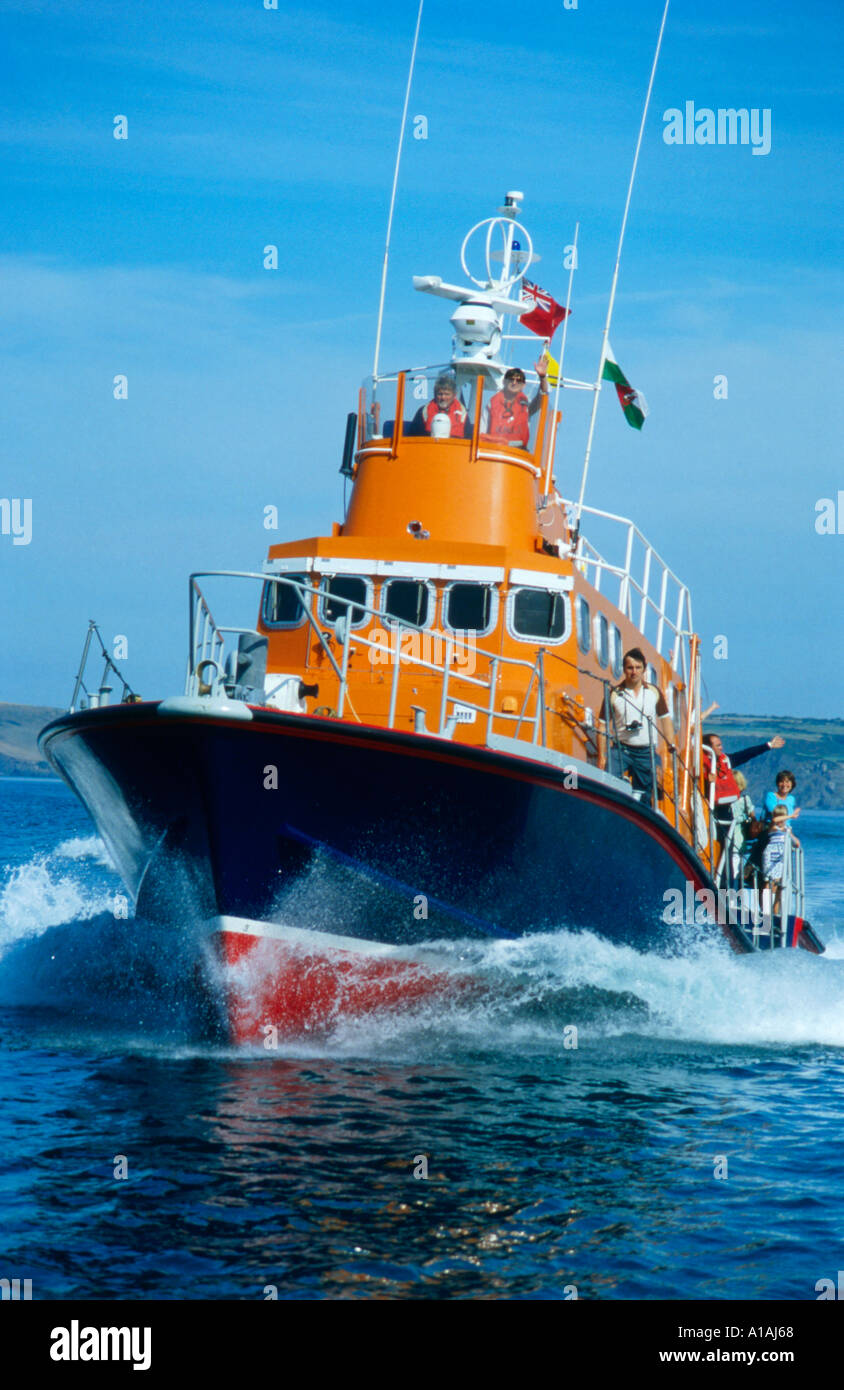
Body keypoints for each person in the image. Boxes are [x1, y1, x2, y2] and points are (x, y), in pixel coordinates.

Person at [608, 647, 675, 804]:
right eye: (630, 668)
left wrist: (671, 744)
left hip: (646, 751)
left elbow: (665, 719)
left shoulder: (653, 692)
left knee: (644, 794)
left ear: (644, 669)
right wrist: (602, 756)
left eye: (638, 668)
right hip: (621, 748)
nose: (634, 672)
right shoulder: (615, 693)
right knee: (608, 780)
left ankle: (642, 815)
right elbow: (602, 723)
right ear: (624, 669)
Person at [701, 732, 785, 844]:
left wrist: (768, 745)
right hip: (706, 809)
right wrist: (705, 779)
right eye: (718, 745)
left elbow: (745, 754)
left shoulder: (725, 761)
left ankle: (725, 858)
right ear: (707, 748)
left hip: (724, 809)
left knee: (726, 842)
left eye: (721, 744)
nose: (722, 748)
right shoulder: (699, 764)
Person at [482, 357, 549, 448]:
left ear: (523, 385)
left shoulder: (526, 407)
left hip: (518, 453)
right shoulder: (491, 405)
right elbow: (481, 433)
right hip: (494, 451)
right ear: (504, 382)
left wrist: (542, 377)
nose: (514, 383)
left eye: (518, 381)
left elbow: (543, 395)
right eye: (511, 379)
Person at [761, 805, 801, 913]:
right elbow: (775, 820)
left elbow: (797, 843)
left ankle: (775, 911)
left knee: (779, 885)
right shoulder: (773, 827)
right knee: (769, 882)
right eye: (780, 817)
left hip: (782, 857)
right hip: (771, 855)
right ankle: (766, 911)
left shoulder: (787, 829)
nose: (781, 820)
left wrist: (790, 835)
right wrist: (791, 816)